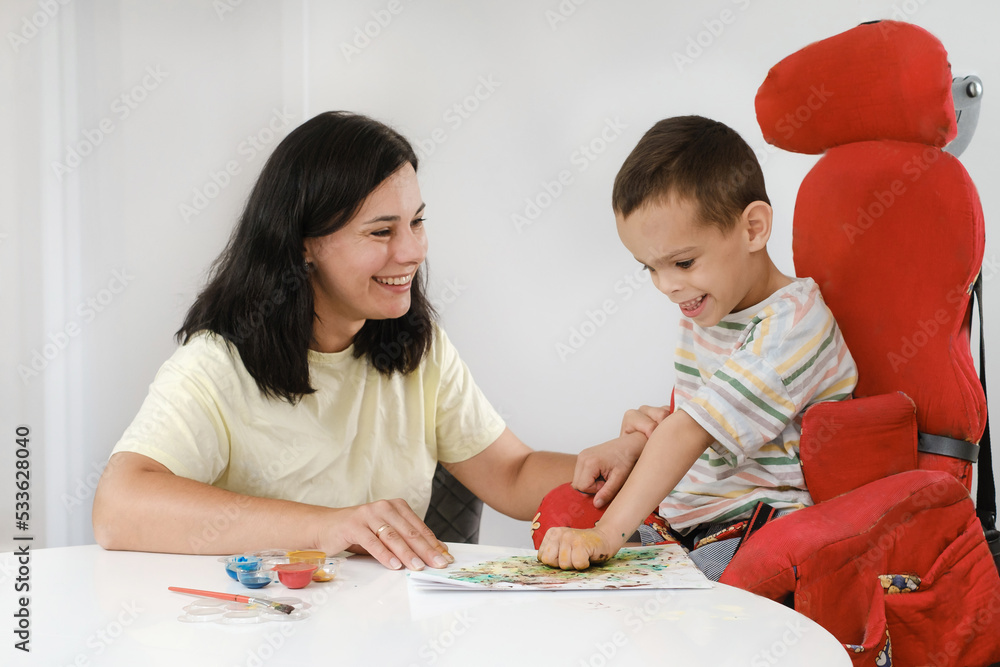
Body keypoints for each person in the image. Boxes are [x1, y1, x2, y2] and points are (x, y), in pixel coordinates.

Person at [92, 111, 635, 572]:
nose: (412, 251)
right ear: (304, 245)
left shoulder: (421, 347)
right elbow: (118, 509)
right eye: (381, 232)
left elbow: (513, 475)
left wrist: (620, 464)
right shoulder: (217, 363)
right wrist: (329, 527)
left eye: (416, 223)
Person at [539, 115, 858, 573]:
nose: (665, 285)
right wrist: (639, 441)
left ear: (752, 229)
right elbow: (699, 418)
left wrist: (607, 533)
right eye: (647, 268)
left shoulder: (794, 325)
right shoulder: (712, 304)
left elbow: (693, 429)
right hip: (686, 518)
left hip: (755, 522)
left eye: (683, 262)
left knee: (662, 592)